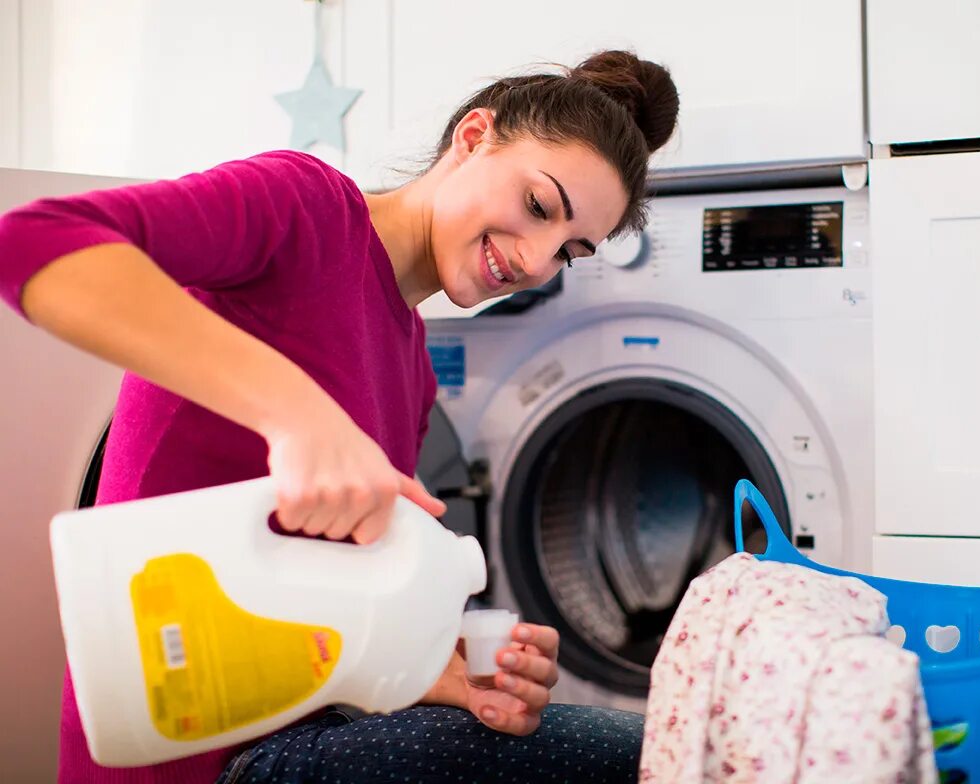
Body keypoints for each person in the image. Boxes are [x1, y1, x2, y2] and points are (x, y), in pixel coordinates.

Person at [0, 49, 679, 783]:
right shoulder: (307, 208)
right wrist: (296, 413)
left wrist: (434, 668)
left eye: (569, 253)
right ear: (475, 136)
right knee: (661, 761)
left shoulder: (412, 371)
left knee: (656, 750)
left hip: (292, 729)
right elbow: (33, 242)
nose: (537, 260)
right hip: (178, 751)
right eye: (539, 207)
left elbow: (319, 612)